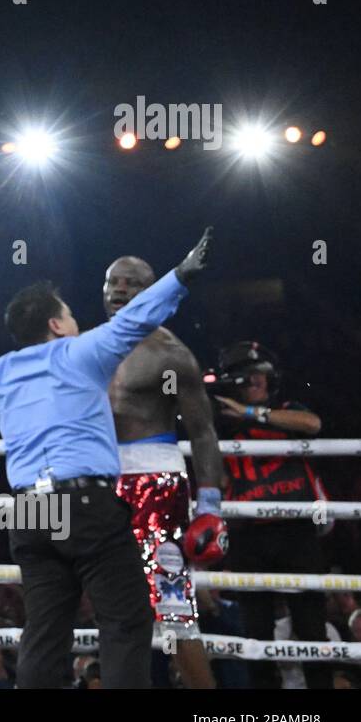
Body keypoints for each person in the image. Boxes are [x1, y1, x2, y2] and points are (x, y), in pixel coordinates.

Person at [0, 228, 214, 687]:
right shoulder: (81, 353)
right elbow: (138, 317)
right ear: (56, 325)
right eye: (68, 314)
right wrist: (180, 275)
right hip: (86, 507)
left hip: (29, 512)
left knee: (44, 632)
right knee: (125, 622)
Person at [101, 255, 227, 688]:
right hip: (99, 485)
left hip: (156, 485)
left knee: (171, 606)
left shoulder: (170, 354)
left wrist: (210, 505)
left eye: (131, 283)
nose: (118, 289)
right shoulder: (89, 346)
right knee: (115, 608)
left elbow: (203, 432)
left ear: (152, 291)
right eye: (112, 282)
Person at [212, 341, 329, 688]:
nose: (254, 382)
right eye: (246, 377)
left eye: (260, 375)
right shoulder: (219, 424)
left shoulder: (287, 409)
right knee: (256, 633)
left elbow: (313, 424)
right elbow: (214, 474)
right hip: (248, 534)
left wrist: (252, 414)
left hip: (296, 530)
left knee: (311, 628)